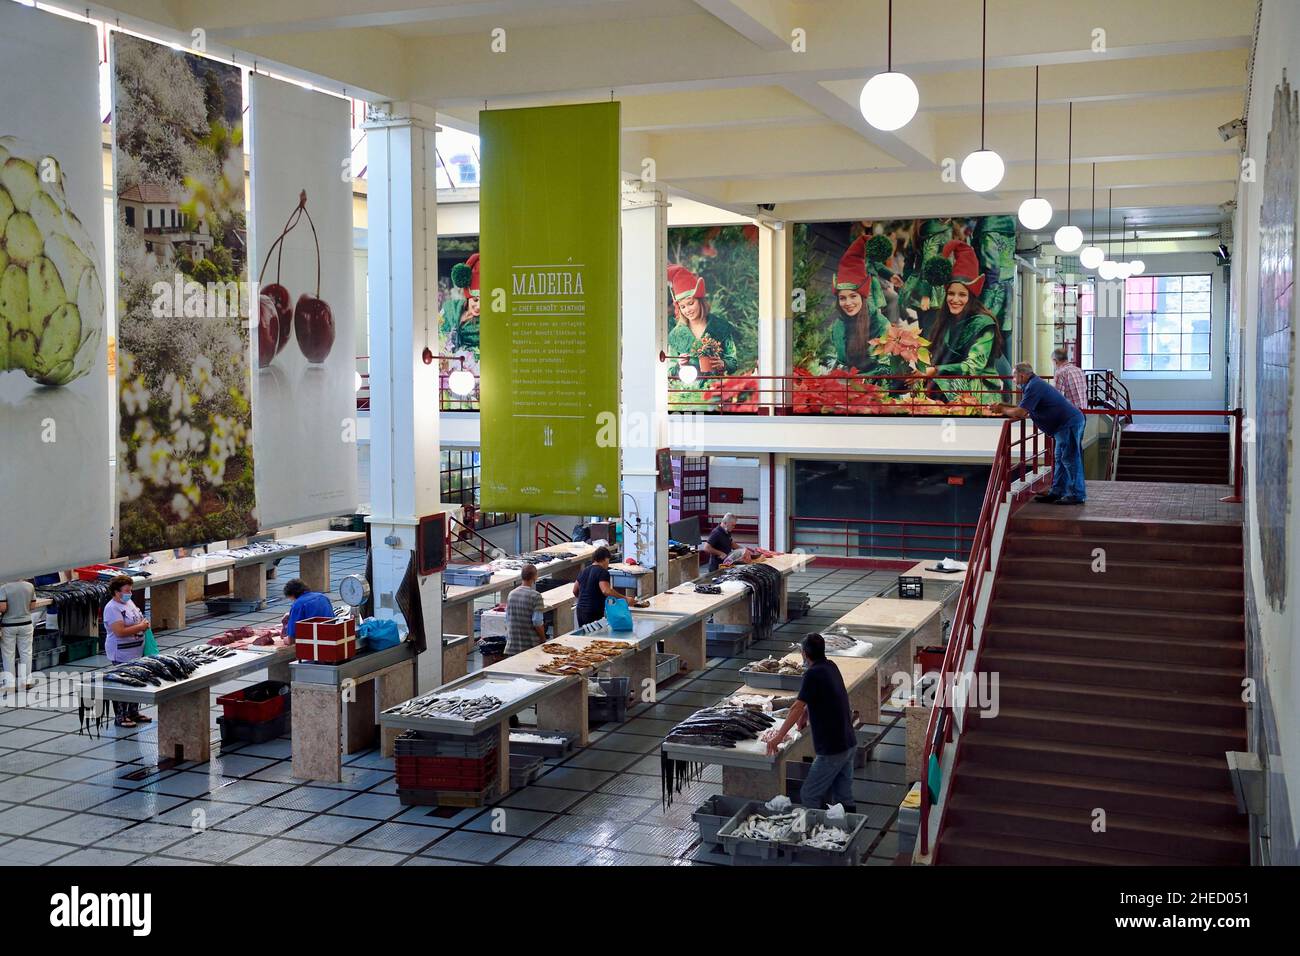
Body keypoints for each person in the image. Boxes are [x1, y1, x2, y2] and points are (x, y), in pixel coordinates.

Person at [765, 633, 857, 812]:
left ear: (805, 654)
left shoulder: (812, 674)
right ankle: (846, 831)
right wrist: (806, 715)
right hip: (849, 742)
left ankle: (813, 833)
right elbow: (826, 697)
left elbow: (796, 707)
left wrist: (778, 737)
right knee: (843, 797)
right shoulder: (831, 666)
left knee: (809, 794)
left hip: (832, 748)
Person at [914, 240, 1007, 406]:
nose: (955, 300)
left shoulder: (984, 323)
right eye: (951, 293)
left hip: (979, 393)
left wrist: (934, 371)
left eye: (962, 295)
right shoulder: (945, 321)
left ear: (970, 297)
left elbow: (973, 367)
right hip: (945, 387)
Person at [991, 362, 1087, 505]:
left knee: (1069, 459)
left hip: (1068, 424)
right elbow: (1023, 407)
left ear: (1022, 375)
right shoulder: (1033, 384)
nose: (1013, 380)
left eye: (1014, 376)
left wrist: (1002, 410)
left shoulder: (1034, 386)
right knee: (1060, 459)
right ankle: (1057, 491)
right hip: (1064, 424)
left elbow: (1021, 412)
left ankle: (1076, 495)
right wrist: (1002, 406)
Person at [828, 235, 890, 373]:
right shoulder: (838, 326)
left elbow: (884, 367)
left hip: (873, 387)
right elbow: (835, 360)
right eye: (842, 298)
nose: (848, 303)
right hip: (845, 387)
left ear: (863, 297)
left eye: (853, 296)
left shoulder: (880, 324)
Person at [666, 263, 739, 377]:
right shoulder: (676, 334)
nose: (687, 310)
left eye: (690, 303)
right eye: (683, 306)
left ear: (700, 301)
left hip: (716, 388)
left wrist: (723, 364)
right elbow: (669, 371)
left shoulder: (720, 327)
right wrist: (678, 365)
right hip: (687, 391)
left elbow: (733, 362)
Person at [102, 575, 151, 728]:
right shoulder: (111, 608)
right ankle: (120, 716)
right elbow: (120, 631)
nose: (129, 593)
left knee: (137, 681)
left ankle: (133, 712)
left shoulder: (128, 602)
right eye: (126, 591)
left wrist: (144, 623)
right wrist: (141, 627)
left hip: (136, 650)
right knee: (123, 683)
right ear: (116, 592)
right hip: (121, 652)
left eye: (130, 590)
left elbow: (136, 618)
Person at [439, 252, 481, 362]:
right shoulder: (449, 308)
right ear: (468, 297)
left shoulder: (484, 325)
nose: (479, 306)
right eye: (475, 300)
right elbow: (437, 332)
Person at [572, 546, 628, 627]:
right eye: (608, 560)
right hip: (593, 611)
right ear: (605, 559)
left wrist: (585, 599)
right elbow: (606, 591)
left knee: (585, 636)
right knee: (595, 636)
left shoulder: (584, 571)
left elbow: (575, 590)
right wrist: (625, 599)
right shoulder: (602, 572)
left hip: (580, 610)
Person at [0, 578, 37, 691]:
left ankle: (10, 684)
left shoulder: (4, 588)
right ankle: (26, 681)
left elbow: (3, 608)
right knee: (26, 652)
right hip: (26, 623)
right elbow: (33, 606)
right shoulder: (29, 586)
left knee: (8, 655)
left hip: (8, 625)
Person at [505, 563, 546, 656]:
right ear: (535, 577)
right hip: (529, 645)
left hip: (512, 645)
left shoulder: (511, 594)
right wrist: (543, 639)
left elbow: (507, 618)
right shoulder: (536, 596)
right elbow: (537, 622)